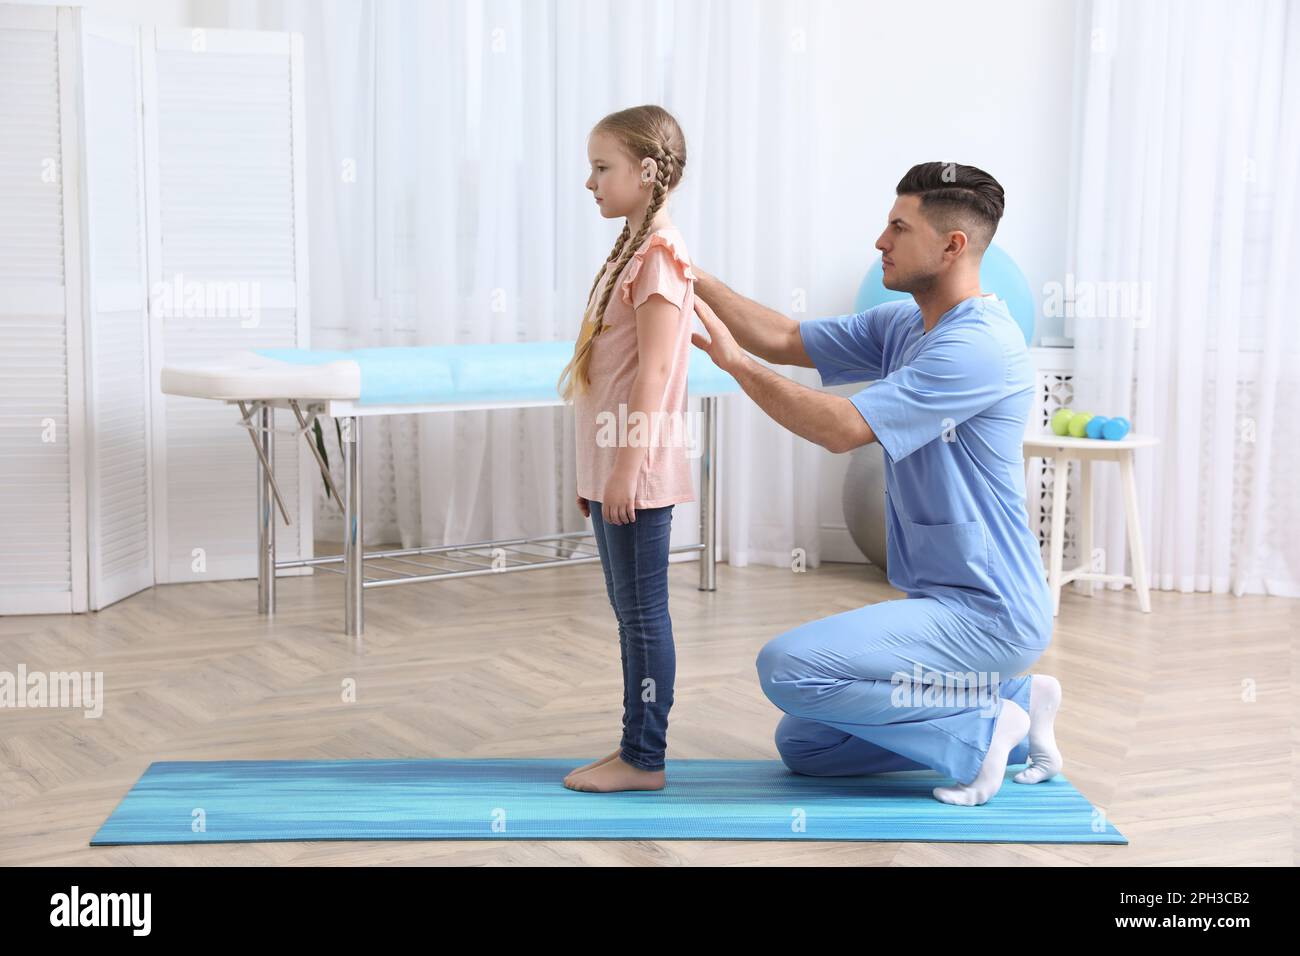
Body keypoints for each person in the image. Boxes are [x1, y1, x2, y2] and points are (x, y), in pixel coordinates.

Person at [691, 162, 1063, 806]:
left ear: (952, 246)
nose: (879, 242)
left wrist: (732, 365)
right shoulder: (904, 325)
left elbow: (841, 427)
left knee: (790, 668)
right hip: (940, 603)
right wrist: (689, 273)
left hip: (990, 613)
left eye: (898, 227)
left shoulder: (980, 345)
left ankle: (981, 729)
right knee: (808, 747)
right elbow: (783, 336)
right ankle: (1017, 700)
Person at [556, 105, 698, 793]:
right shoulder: (631, 249)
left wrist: (625, 470)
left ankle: (644, 758)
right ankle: (636, 749)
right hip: (614, 463)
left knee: (643, 616)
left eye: (601, 167)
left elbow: (656, 372)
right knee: (629, 613)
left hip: (635, 468)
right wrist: (595, 470)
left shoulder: (662, 260)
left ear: (647, 173)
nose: (590, 182)